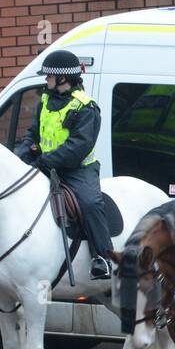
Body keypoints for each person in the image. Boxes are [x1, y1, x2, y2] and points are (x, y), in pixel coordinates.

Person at [14, 49, 113, 280]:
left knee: (90, 203)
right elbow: (33, 134)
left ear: (62, 78)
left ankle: (102, 258)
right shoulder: (46, 100)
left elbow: (78, 147)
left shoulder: (85, 107)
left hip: (77, 171)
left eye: (48, 76)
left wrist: (44, 161)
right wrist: (21, 157)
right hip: (46, 166)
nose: (45, 80)